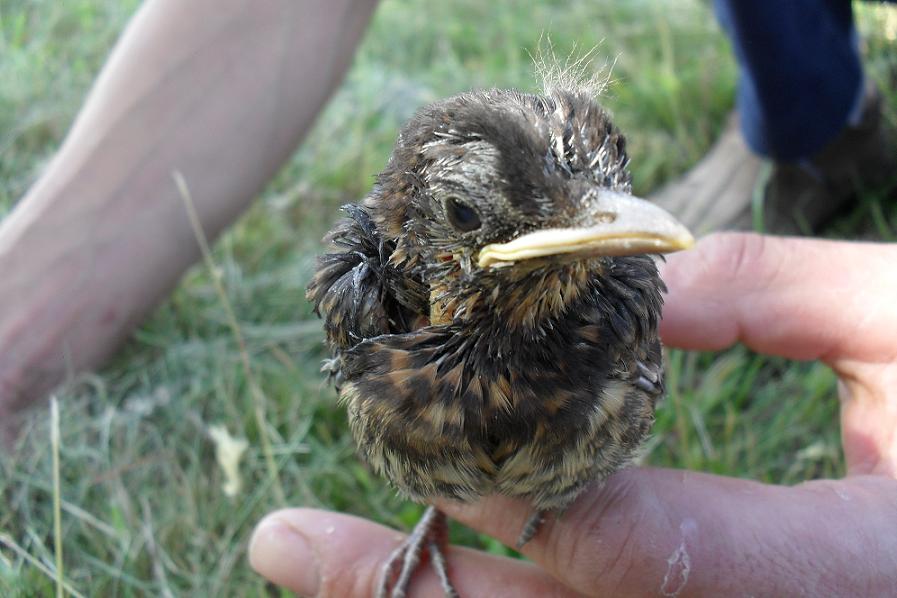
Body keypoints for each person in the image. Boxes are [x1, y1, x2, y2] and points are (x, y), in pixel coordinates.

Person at [247, 232, 897, 596]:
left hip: (570, 433)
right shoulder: (376, 293)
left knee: (617, 540)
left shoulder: (607, 300)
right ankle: (444, 511)